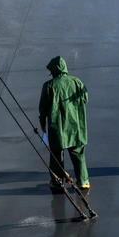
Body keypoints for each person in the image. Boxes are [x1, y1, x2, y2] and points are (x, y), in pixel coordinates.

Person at [39, 56, 89, 191]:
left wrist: (42, 122)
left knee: (56, 154)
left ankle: (57, 182)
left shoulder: (49, 85)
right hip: (75, 125)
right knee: (78, 152)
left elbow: (43, 107)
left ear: (54, 70)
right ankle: (83, 181)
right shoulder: (77, 82)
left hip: (58, 126)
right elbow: (85, 98)